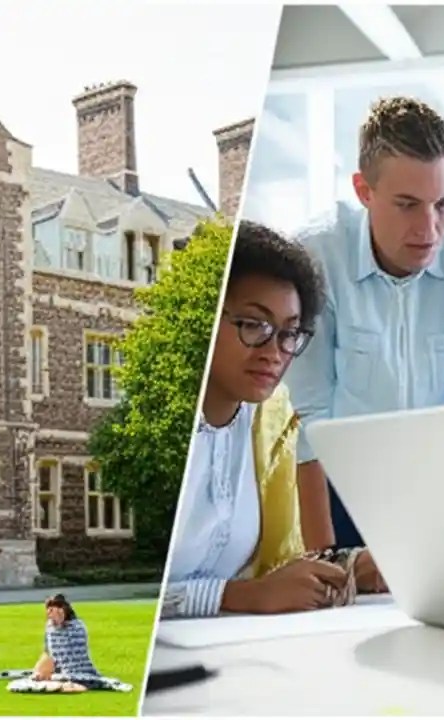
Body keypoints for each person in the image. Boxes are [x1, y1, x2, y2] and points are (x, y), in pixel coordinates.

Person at [285, 96, 444, 557]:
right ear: (363, 191)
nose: (429, 229)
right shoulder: (314, 257)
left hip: (438, 484)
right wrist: (325, 559)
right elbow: (307, 416)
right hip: (336, 485)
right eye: (407, 204)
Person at [163, 221, 382, 620]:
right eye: (254, 325)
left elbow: (280, 568)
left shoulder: (274, 420)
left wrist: (352, 569)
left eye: (289, 333)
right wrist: (237, 596)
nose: (275, 352)